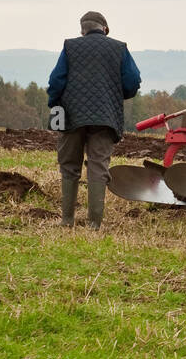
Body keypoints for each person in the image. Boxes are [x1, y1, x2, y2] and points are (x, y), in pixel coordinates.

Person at [47, 11, 141, 229]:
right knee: (98, 166)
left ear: (82, 30)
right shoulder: (119, 48)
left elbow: (55, 80)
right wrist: (116, 94)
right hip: (105, 116)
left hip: (71, 116)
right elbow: (132, 81)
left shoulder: (70, 47)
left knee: (69, 165)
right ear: (105, 29)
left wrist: (55, 102)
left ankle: (67, 220)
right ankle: (94, 224)